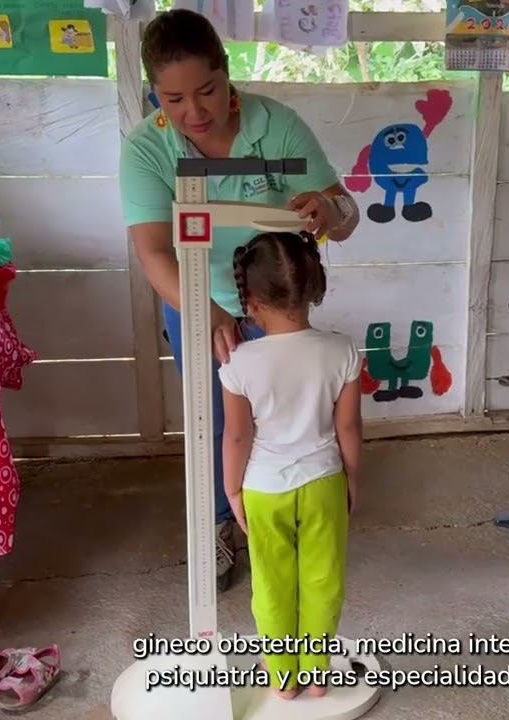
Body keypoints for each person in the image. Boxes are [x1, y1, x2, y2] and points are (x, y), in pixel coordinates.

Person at [118, 8, 361, 591]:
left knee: (293, 415)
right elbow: (154, 253)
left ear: (227, 72)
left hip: (276, 300)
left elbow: (347, 214)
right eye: (173, 99)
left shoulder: (276, 126)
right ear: (154, 93)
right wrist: (207, 312)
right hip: (195, 296)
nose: (194, 112)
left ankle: (298, 509)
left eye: (207, 90)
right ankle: (222, 526)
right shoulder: (146, 148)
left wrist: (329, 211)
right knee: (215, 424)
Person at [217, 232, 361, 699]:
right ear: (312, 287)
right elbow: (348, 428)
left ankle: (283, 677)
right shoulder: (342, 350)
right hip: (323, 481)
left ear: (251, 301)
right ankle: (317, 674)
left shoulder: (239, 362)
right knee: (322, 579)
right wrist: (351, 478)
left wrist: (232, 491)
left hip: (263, 488)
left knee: (272, 582)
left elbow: (237, 435)